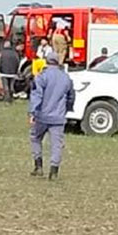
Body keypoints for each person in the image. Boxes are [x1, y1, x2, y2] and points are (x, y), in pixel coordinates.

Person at [28, 52, 75, 181]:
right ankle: (54, 171)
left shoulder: (41, 77)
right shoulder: (66, 78)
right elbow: (71, 96)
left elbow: (37, 96)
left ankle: (38, 166)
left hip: (42, 116)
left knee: (35, 138)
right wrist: (67, 109)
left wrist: (32, 112)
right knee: (56, 144)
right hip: (58, 117)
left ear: (46, 62)